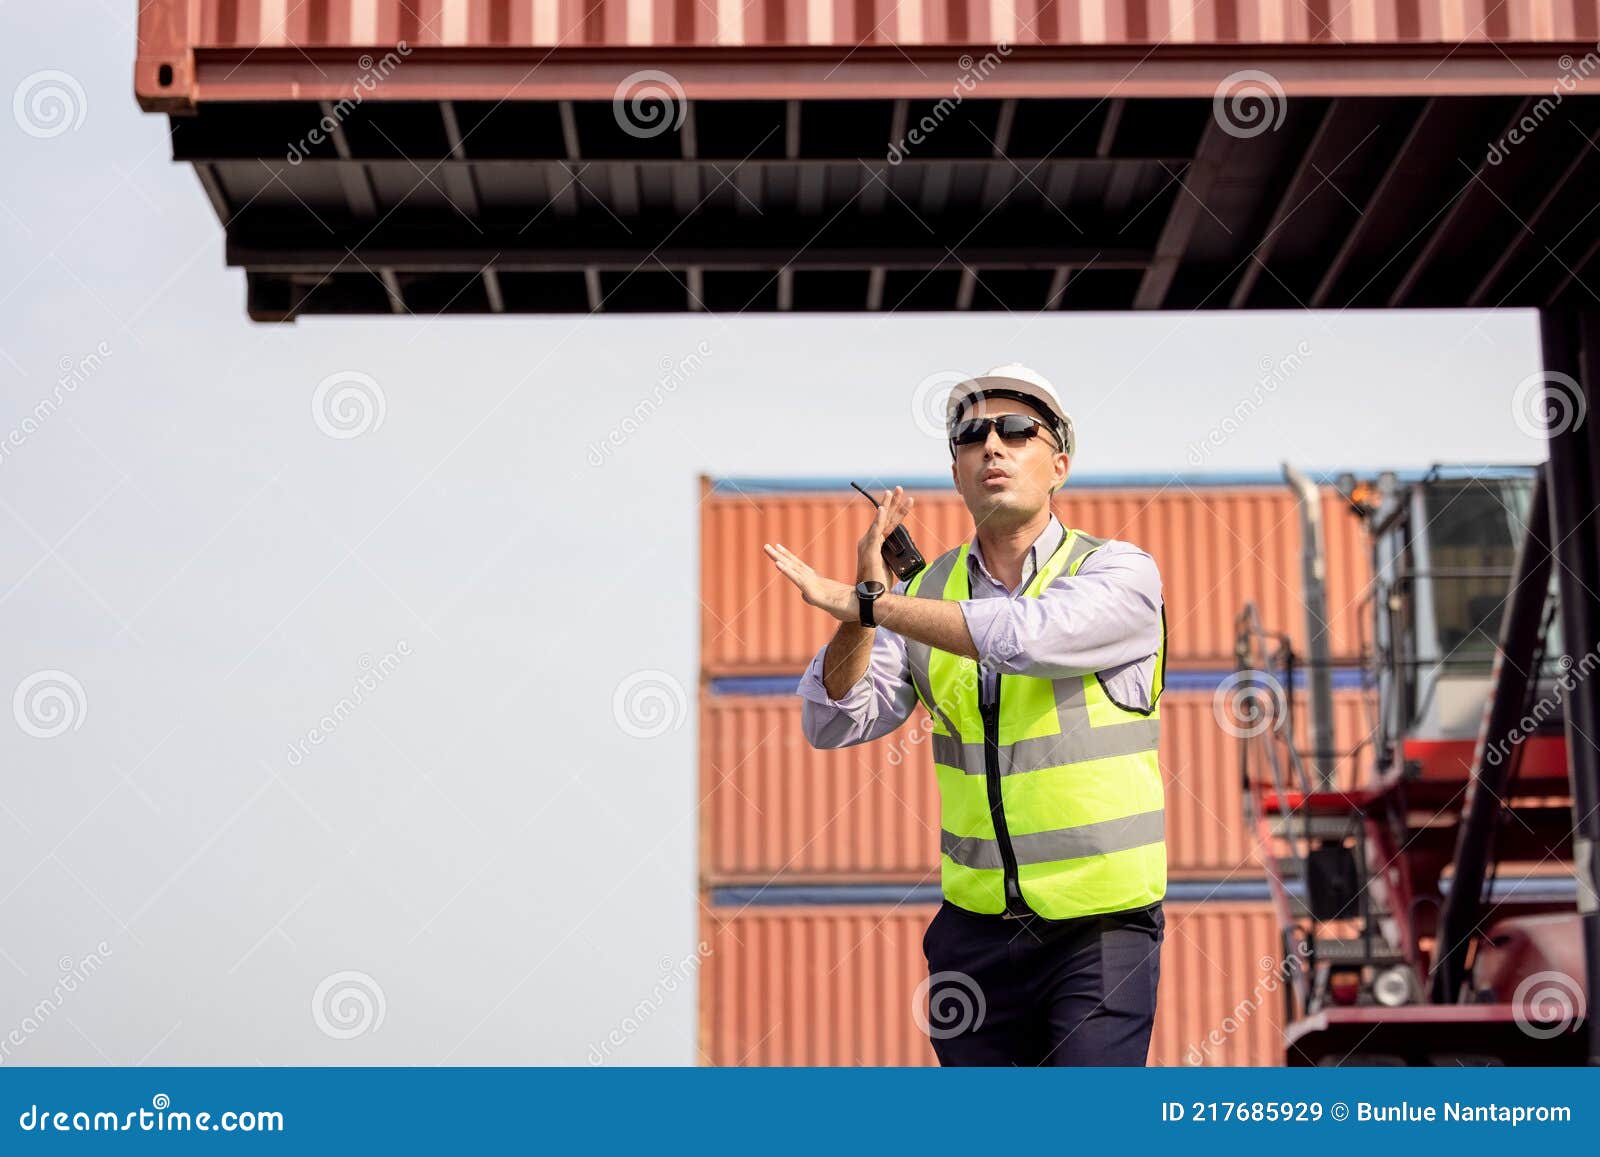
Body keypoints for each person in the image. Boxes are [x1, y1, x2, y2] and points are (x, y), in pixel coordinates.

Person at [762, 363, 1167, 1066]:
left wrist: (874, 605)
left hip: (1100, 929)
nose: (993, 446)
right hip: (974, 938)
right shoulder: (924, 595)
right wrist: (862, 609)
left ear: (1059, 464)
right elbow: (832, 719)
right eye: (971, 435)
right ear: (956, 471)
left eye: (1017, 429)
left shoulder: (1119, 573)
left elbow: (1027, 635)